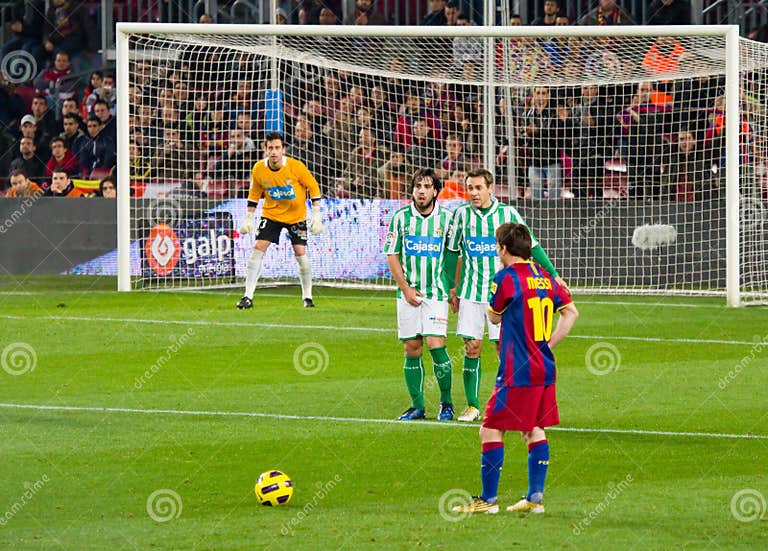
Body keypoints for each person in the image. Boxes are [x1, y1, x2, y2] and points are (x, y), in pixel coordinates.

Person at [452, 222, 578, 514]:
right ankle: (534, 500)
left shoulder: (506, 278)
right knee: (534, 428)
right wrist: (546, 344)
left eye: (498, 246)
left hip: (516, 370)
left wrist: (491, 306)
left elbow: (494, 318)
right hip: (544, 367)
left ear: (504, 249)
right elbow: (571, 312)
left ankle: (488, 500)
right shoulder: (545, 277)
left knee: (490, 429)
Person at [446, 169, 569, 422]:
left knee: (505, 349)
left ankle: (513, 401)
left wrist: (554, 274)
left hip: (505, 292)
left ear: (490, 188)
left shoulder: (508, 214)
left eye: (479, 187)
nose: (474, 193)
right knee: (471, 347)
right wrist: (452, 287)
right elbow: (452, 252)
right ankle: (472, 405)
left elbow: (532, 246)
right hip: (471, 292)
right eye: (470, 188)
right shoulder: (460, 215)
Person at [384, 168, 456, 421]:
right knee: (411, 347)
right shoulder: (401, 218)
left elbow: (452, 254)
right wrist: (405, 288)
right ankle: (417, 406)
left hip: (435, 292)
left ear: (436, 191)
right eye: (417, 186)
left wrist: (452, 287)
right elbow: (391, 254)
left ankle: (446, 403)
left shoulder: (447, 219)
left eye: (427, 187)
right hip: (407, 292)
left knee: (436, 346)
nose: (421, 191)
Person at [237, 132, 323, 309]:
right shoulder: (258, 169)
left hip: (296, 216)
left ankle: (307, 297)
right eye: (270, 148)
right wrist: (249, 216)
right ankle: (248, 296)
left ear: (283, 150)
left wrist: (316, 213)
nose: (274, 151)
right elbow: (254, 193)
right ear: (265, 149)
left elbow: (313, 187)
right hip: (271, 215)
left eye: (277, 148)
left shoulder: (296, 167)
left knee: (300, 253)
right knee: (258, 248)